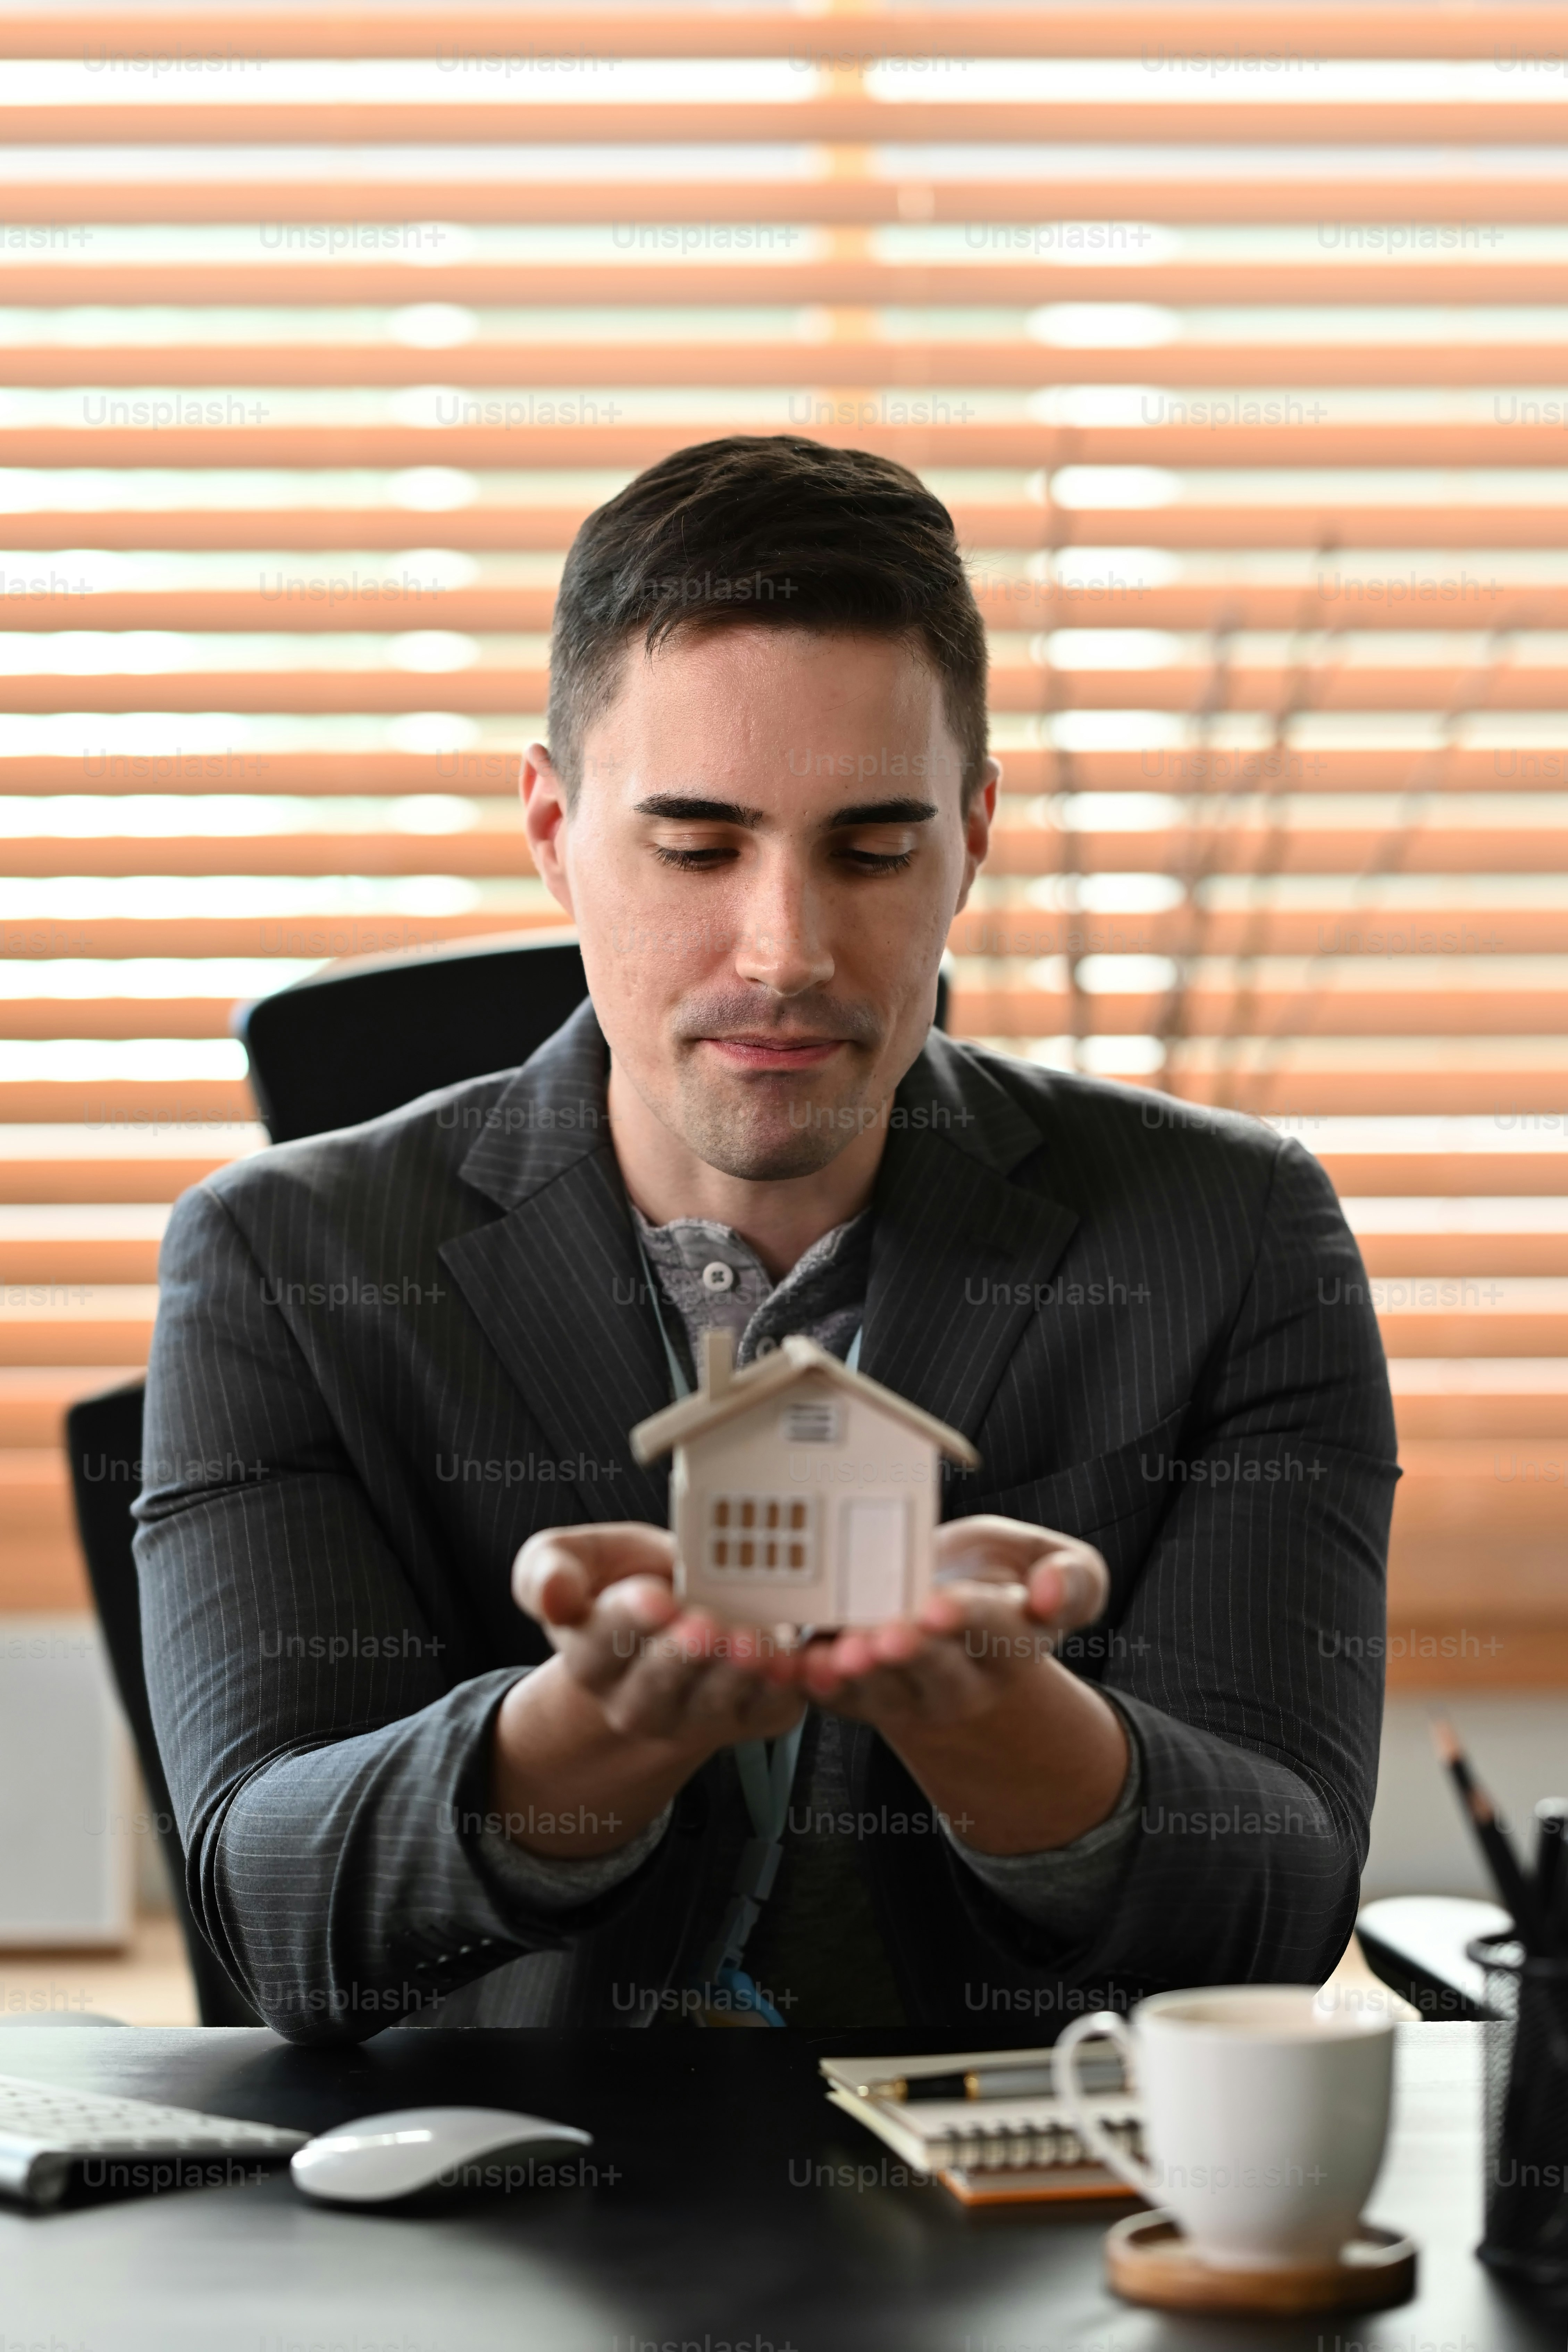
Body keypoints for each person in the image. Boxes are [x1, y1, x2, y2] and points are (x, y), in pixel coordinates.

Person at [134, 436, 1398, 2042]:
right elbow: (269, 1914)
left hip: (1021, 2240)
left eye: (871, 848)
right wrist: (579, 1743)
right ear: (550, 825)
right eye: (694, 846)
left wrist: (1007, 1722)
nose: (785, 950)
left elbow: (1273, 1917)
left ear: (974, 834)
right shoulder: (276, 1259)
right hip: (502, 2237)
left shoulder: (1233, 1233)